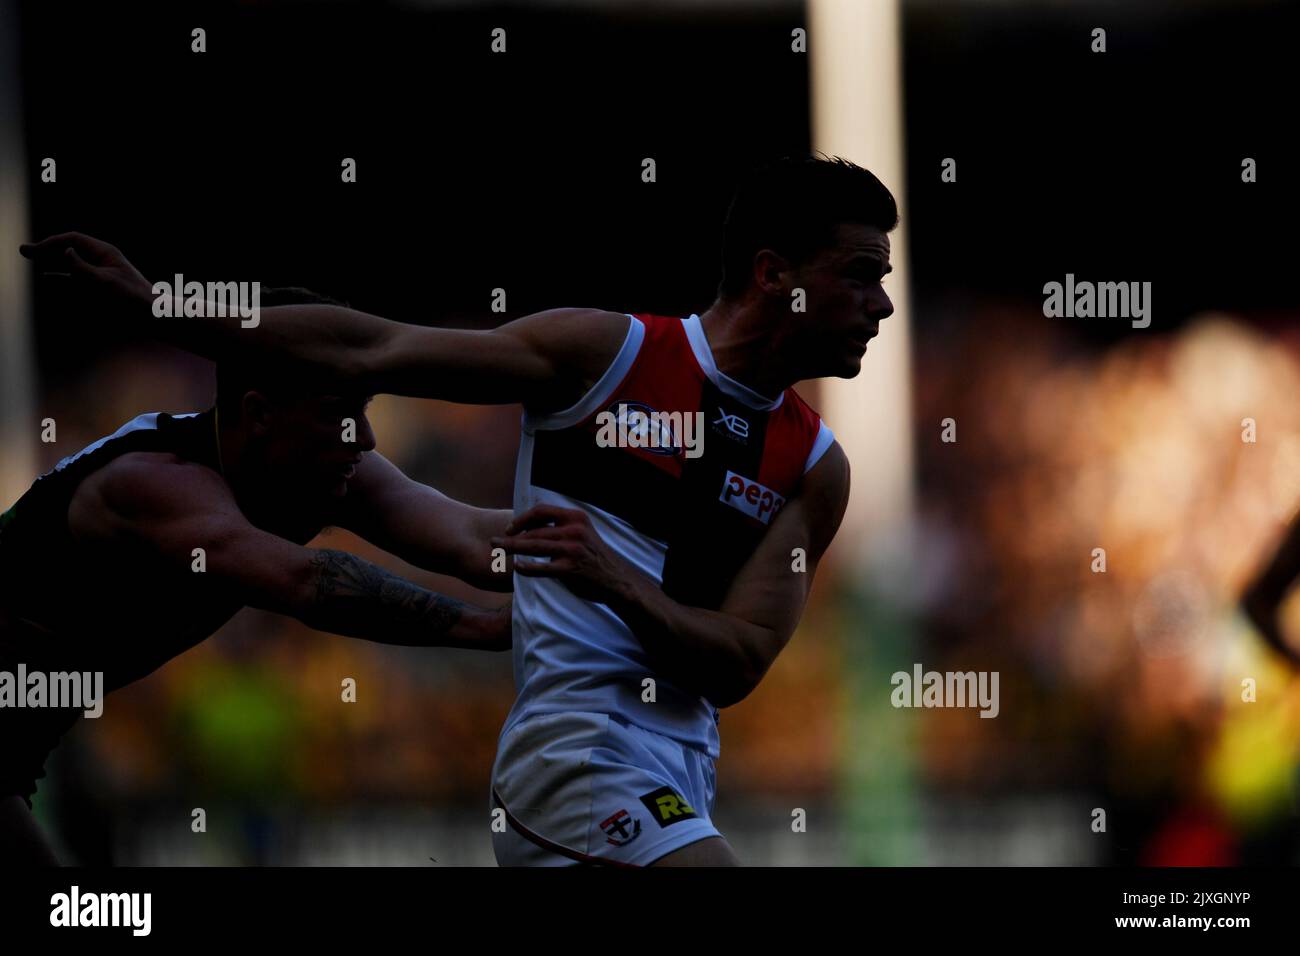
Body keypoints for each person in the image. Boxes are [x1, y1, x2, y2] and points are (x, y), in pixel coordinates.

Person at [21, 153, 899, 865]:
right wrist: (157, 307)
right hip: (585, 756)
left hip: (681, 766)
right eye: (862, 276)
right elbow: (318, 546)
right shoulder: (154, 483)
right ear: (773, 273)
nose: (364, 437)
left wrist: (565, 590)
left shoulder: (814, 468)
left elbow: (491, 544)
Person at [0, 287, 514, 865]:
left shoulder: (315, 460)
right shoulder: (152, 484)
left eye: (363, 409)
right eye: (338, 413)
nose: (365, 437)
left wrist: (609, 557)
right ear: (260, 414)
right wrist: (483, 628)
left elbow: (476, 540)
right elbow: (308, 583)